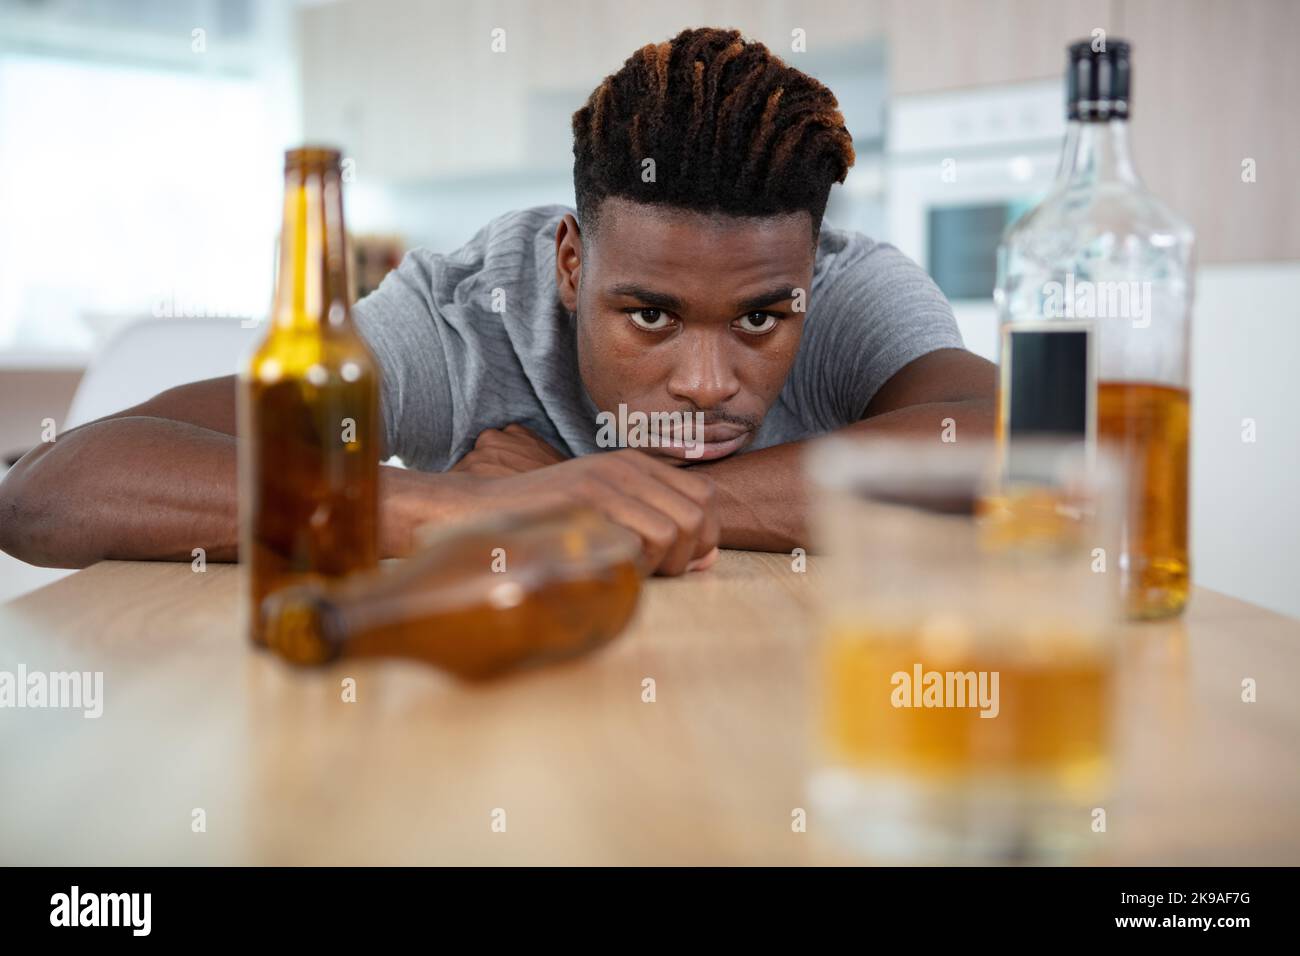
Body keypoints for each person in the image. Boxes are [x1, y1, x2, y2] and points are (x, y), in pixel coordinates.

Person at [0, 27, 993, 577]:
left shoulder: (853, 285)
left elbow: (1030, 445)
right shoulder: (464, 320)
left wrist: (594, 495)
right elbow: (54, 490)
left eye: (760, 321)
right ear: (569, 263)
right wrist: (454, 507)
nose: (703, 382)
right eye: (648, 313)